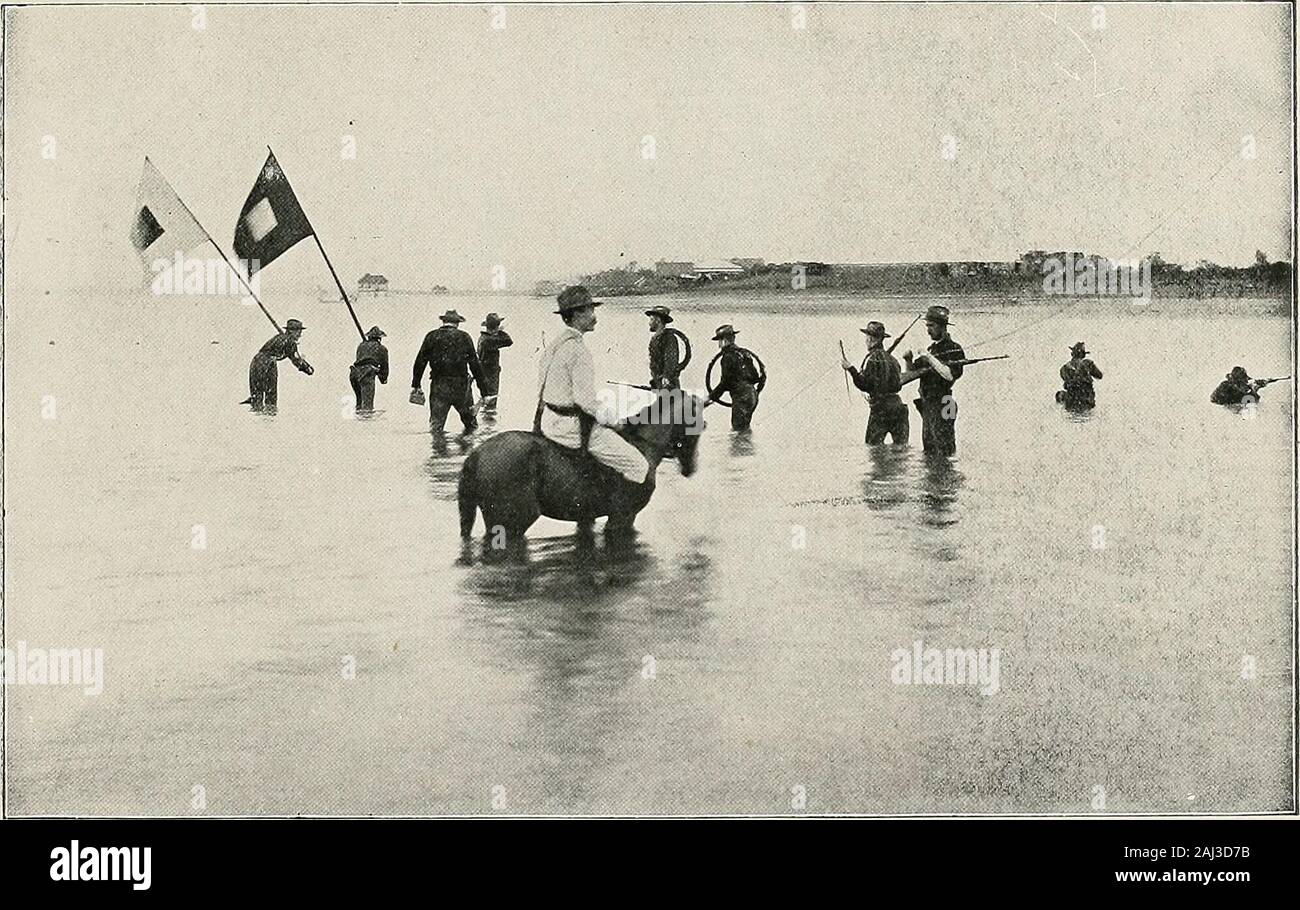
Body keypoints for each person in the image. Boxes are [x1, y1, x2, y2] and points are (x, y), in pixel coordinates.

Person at [535, 286, 648, 483]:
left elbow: (542, 388)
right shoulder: (579, 350)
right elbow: (585, 400)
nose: (594, 317)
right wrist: (615, 420)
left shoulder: (555, 345)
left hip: (548, 421)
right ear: (577, 314)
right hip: (569, 428)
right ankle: (618, 512)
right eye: (590, 311)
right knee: (639, 465)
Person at [901, 305, 964, 456]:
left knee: (945, 449)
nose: (928, 330)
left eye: (932, 326)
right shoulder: (931, 349)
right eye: (927, 326)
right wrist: (908, 360)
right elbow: (911, 373)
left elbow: (950, 375)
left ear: (943, 327)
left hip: (944, 403)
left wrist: (929, 357)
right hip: (928, 405)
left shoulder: (955, 349)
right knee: (929, 450)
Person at [412, 309, 486, 434]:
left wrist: (416, 385)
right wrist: (484, 390)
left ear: (443, 321)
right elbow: (475, 365)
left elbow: (420, 362)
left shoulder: (431, 336)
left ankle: (436, 451)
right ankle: (468, 449)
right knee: (470, 425)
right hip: (461, 387)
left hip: (439, 385)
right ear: (457, 323)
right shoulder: (464, 337)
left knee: (436, 427)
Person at [840, 321, 908, 444]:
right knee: (900, 452)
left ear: (871, 338)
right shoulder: (893, 360)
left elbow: (864, 384)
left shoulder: (871, 359)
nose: (866, 340)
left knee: (873, 449)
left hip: (880, 410)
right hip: (898, 407)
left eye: (867, 337)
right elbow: (897, 386)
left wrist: (850, 368)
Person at [244, 318, 313, 411]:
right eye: (298, 331)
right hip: (267, 363)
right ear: (291, 331)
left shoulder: (279, 337)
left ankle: (257, 416)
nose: (300, 334)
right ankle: (270, 420)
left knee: (256, 396)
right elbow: (296, 359)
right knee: (270, 398)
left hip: (256, 361)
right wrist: (308, 368)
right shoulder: (290, 342)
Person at [707, 324, 761, 431]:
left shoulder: (727, 357)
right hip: (752, 396)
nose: (719, 344)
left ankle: (740, 447)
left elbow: (725, 382)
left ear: (724, 341)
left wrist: (711, 397)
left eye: (720, 341)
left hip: (741, 398)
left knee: (738, 430)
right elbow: (755, 377)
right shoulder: (745, 354)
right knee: (744, 429)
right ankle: (745, 446)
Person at [476, 313, 513, 409]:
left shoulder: (483, 338)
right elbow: (508, 341)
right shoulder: (489, 340)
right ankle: (489, 421)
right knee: (491, 403)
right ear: (495, 327)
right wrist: (500, 332)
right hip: (490, 375)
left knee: (486, 401)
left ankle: (486, 421)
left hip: (484, 373)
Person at [349, 326, 389, 412]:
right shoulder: (382, 349)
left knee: (359, 406)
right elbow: (384, 368)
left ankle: (358, 423)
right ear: (379, 338)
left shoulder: (361, 345)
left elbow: (361, 360)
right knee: (367, 408)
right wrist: (383, 379)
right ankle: (367, 424)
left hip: (354, 374)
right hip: (366, 374)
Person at [1058, 341, 1103, 409]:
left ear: (1072, 353)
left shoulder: (1064, 368)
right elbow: (1099, 376)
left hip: (1071, 402)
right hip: (1086, 401)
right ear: (1083, 354)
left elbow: (1065, 379)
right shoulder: (1087, 363)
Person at [646, 305, 682, 389]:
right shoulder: (655, 338)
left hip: (668, 384)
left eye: (651, 319)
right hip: (660, 383)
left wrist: (666, 378)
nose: (649, 323)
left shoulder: (669, 338)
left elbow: (671, 360)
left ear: (658, 320)